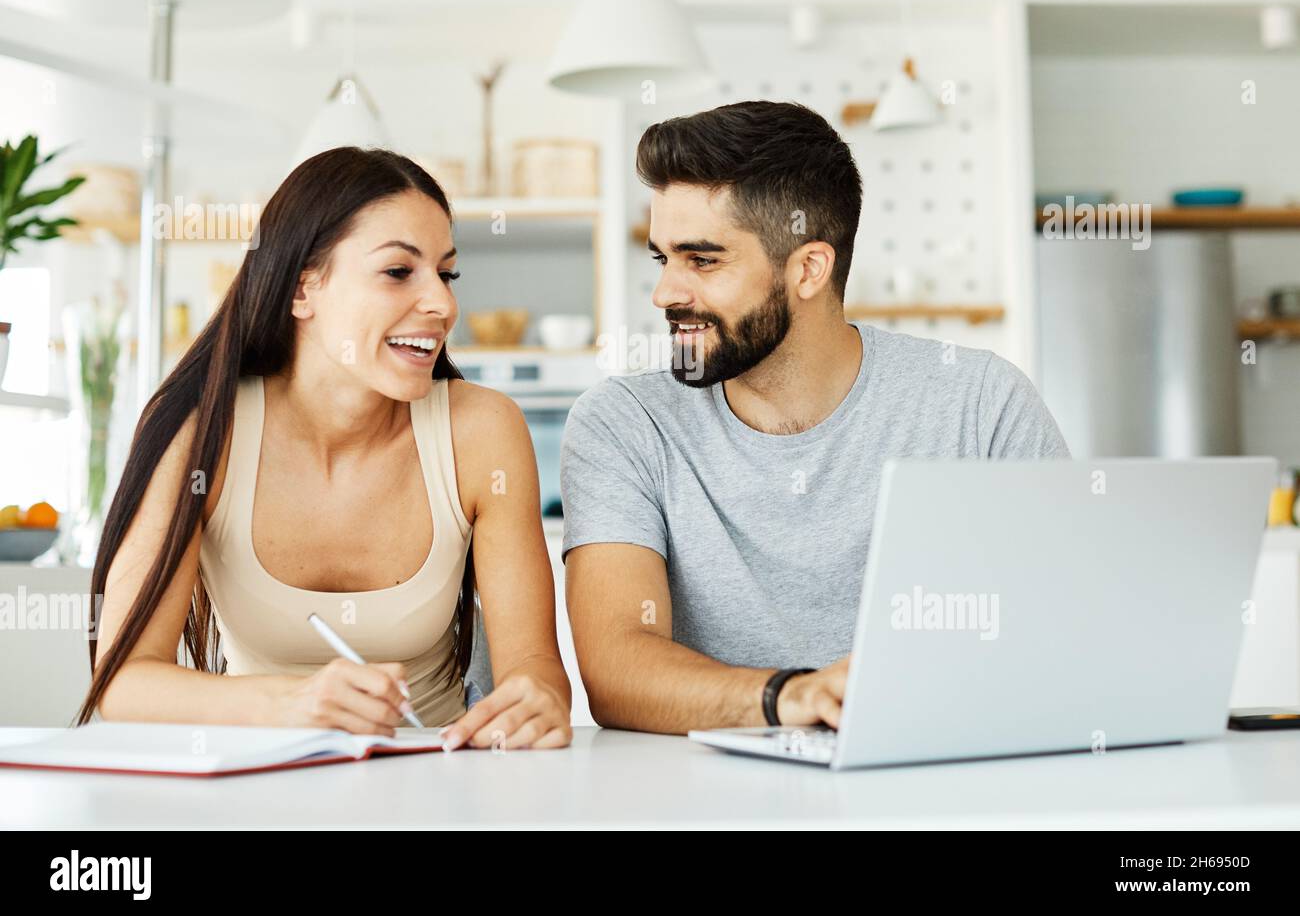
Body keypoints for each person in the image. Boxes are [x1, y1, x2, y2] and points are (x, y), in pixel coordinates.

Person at [561, 101, 1068, 735]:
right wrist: (791, 698)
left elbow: (1062, 624)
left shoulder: (980, 401)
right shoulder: (623, 423)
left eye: (704, 260)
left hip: (936, 774)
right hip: (704, 794)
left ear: (808, 268)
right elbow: (616, 670)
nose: (665, 293)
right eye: (663, 259)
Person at [81, 147, 571, 750]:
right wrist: (290, 702)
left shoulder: (483, 432)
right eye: (398, 272)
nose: (442, 305)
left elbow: (535, 665)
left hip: (437, 781)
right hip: (255, 782)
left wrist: (540, 699)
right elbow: (124, 681)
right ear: (301, 290)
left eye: (446, 274)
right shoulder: (200, 432)